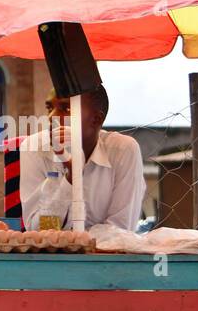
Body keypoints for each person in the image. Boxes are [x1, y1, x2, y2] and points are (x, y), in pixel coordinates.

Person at [19, 84, 145, 232]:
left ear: (96, 119)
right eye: (49, 108)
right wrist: (70, 179)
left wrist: (72, 239)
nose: (52, 116)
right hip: (52, 255)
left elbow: (121, 230)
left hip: (104, 256)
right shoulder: (34, 148)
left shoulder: (123, 150)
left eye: (66, 109)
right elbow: (38, 230)